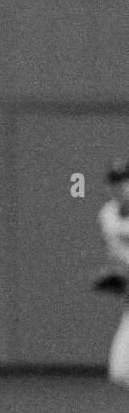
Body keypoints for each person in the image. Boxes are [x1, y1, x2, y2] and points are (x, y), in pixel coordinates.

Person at [95, 158, 129, 390]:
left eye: (125, 181)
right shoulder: (107, 215)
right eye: (115, 182)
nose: (120, 187)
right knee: (119, 371)